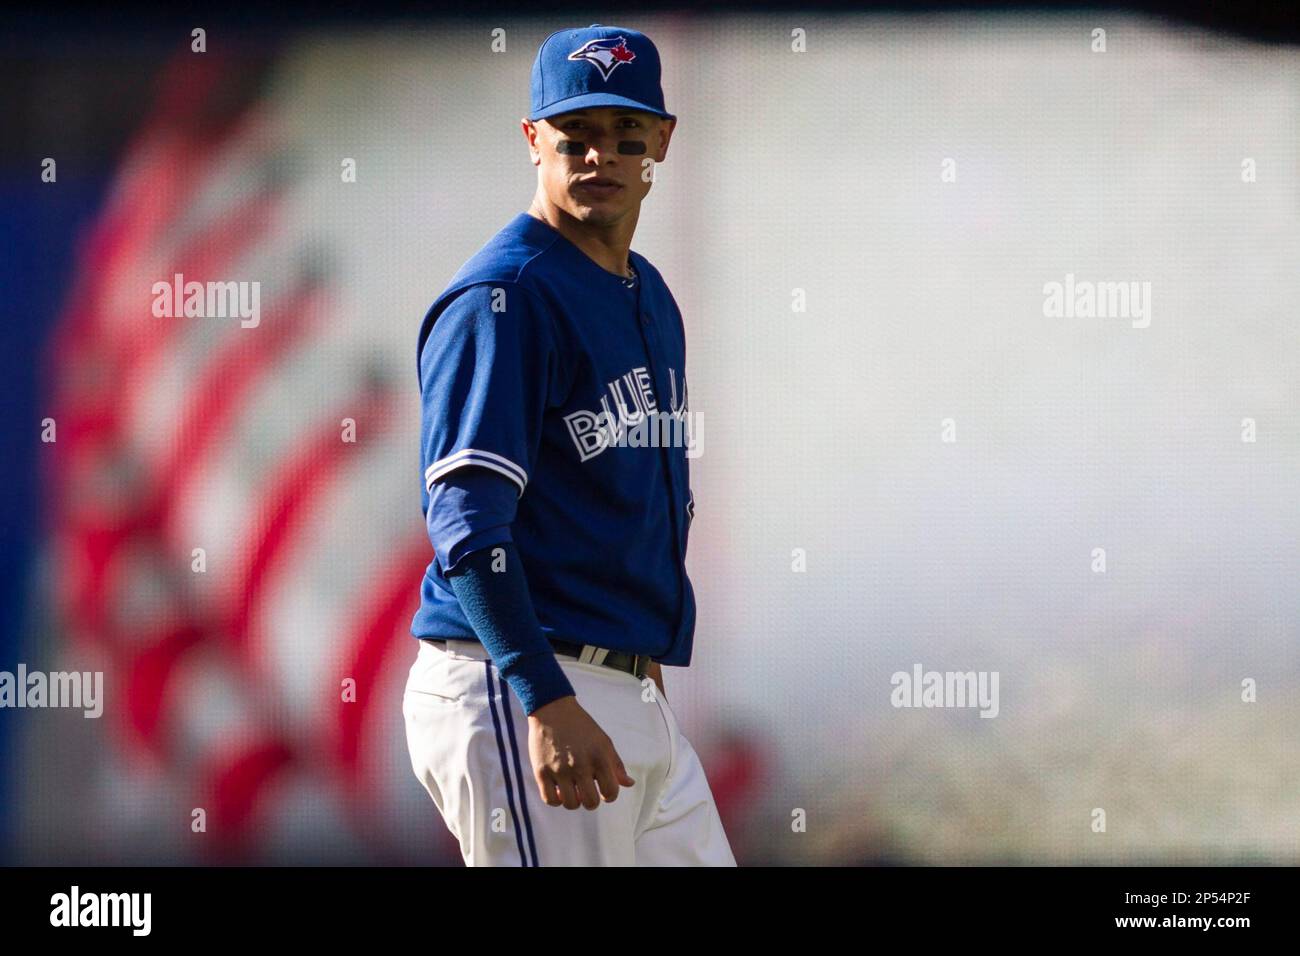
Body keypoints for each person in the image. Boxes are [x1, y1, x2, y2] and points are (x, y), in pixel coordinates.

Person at [402, 23, 736, 866]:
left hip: (623, 689)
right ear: (533, 141)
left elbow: (630, 508)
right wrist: (543, 698)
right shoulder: (503, 297)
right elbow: (469, 526)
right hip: (519, 682)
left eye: (625, 136)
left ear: (660, 140)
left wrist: (636, 666)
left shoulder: (647, 292)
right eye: (575, 136)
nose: (600, 158)